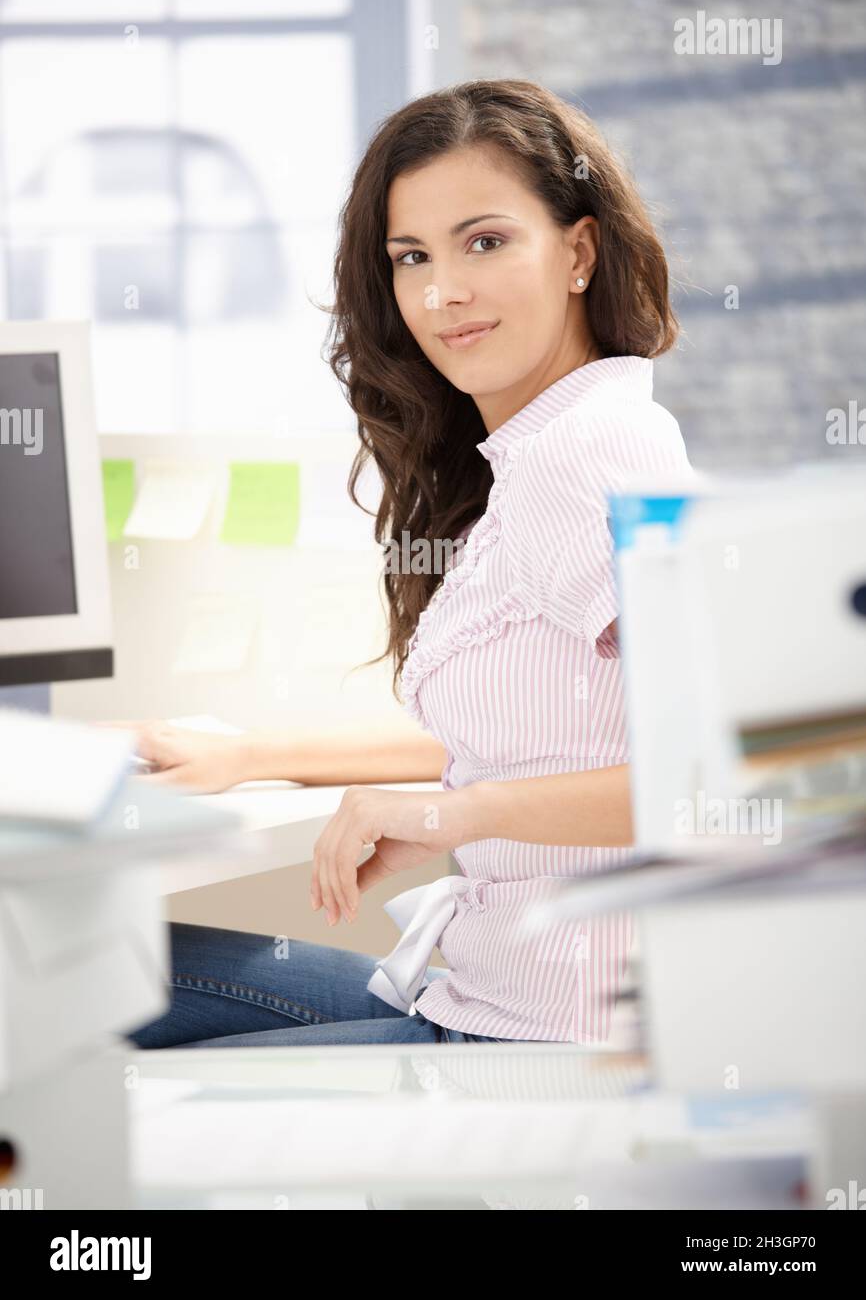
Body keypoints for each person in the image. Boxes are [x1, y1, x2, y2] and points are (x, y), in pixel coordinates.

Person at [125, 78, 695, 1050]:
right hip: (469, 997)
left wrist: (447, 816)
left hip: (548, 1044)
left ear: (578, 251)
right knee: (98, 973)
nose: (442, 292)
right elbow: (533, 740)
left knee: (80, 1030)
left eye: (484, 240)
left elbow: (706, 770)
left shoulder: (589, 453)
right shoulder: (535, 454)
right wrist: (251, 756)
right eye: (410, 257)